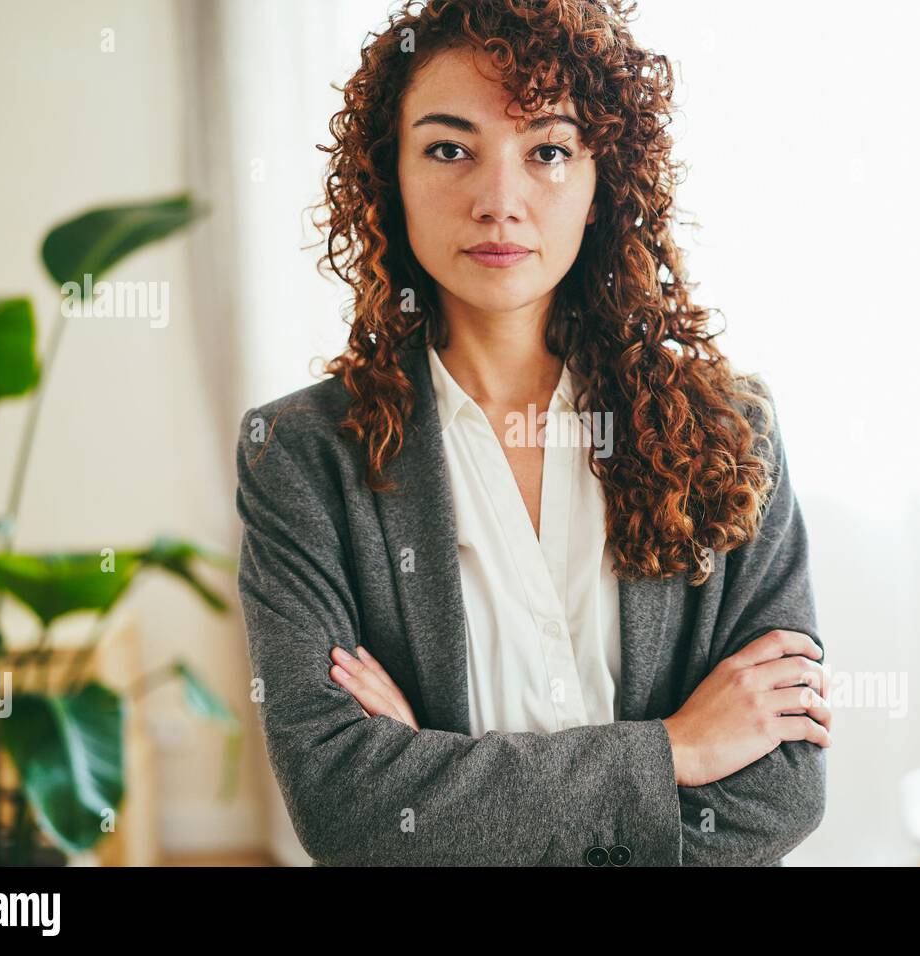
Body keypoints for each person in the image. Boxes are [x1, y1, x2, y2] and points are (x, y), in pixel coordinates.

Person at [235, 0, 831, 867]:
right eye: (449, 149)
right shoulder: (299, 456)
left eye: (547, 151)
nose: (499, 201)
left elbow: (782, 794)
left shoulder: (732, 431)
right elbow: (349, 813)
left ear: (601, 185)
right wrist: (677, 751)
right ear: (387, 176)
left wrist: (445, 787)